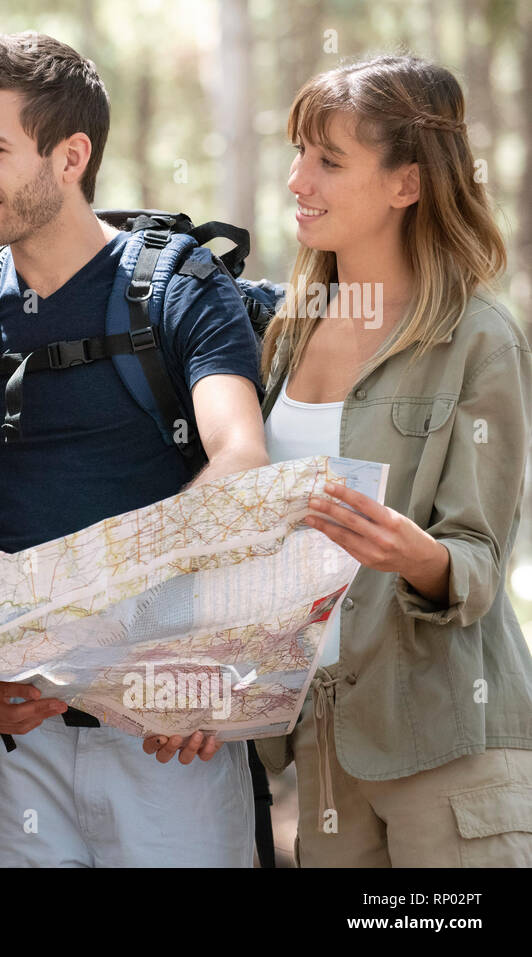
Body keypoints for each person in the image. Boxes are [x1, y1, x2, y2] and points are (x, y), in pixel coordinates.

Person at [0, 33, 270, 867]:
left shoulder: (180, 286)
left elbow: (241, 455)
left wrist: (168, 639)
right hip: (13, 742)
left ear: (71, 156)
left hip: (169, 732)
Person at [255, 54, 532, 867]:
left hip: (446, 745)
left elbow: (480, 557)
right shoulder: (288, 332)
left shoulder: (479, 336)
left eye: (329, 161)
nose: (298, 180)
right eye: (299, 153)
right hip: (325, 748)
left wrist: (418, 557)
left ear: (406, 184)